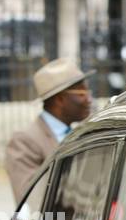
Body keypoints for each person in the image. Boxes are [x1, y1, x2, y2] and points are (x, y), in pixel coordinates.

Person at [5, 58, 93, 202]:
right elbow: (31, 198)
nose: (89, 99)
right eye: (82, 93)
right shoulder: (24, 142)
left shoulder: (80, 135)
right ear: (60, 99)